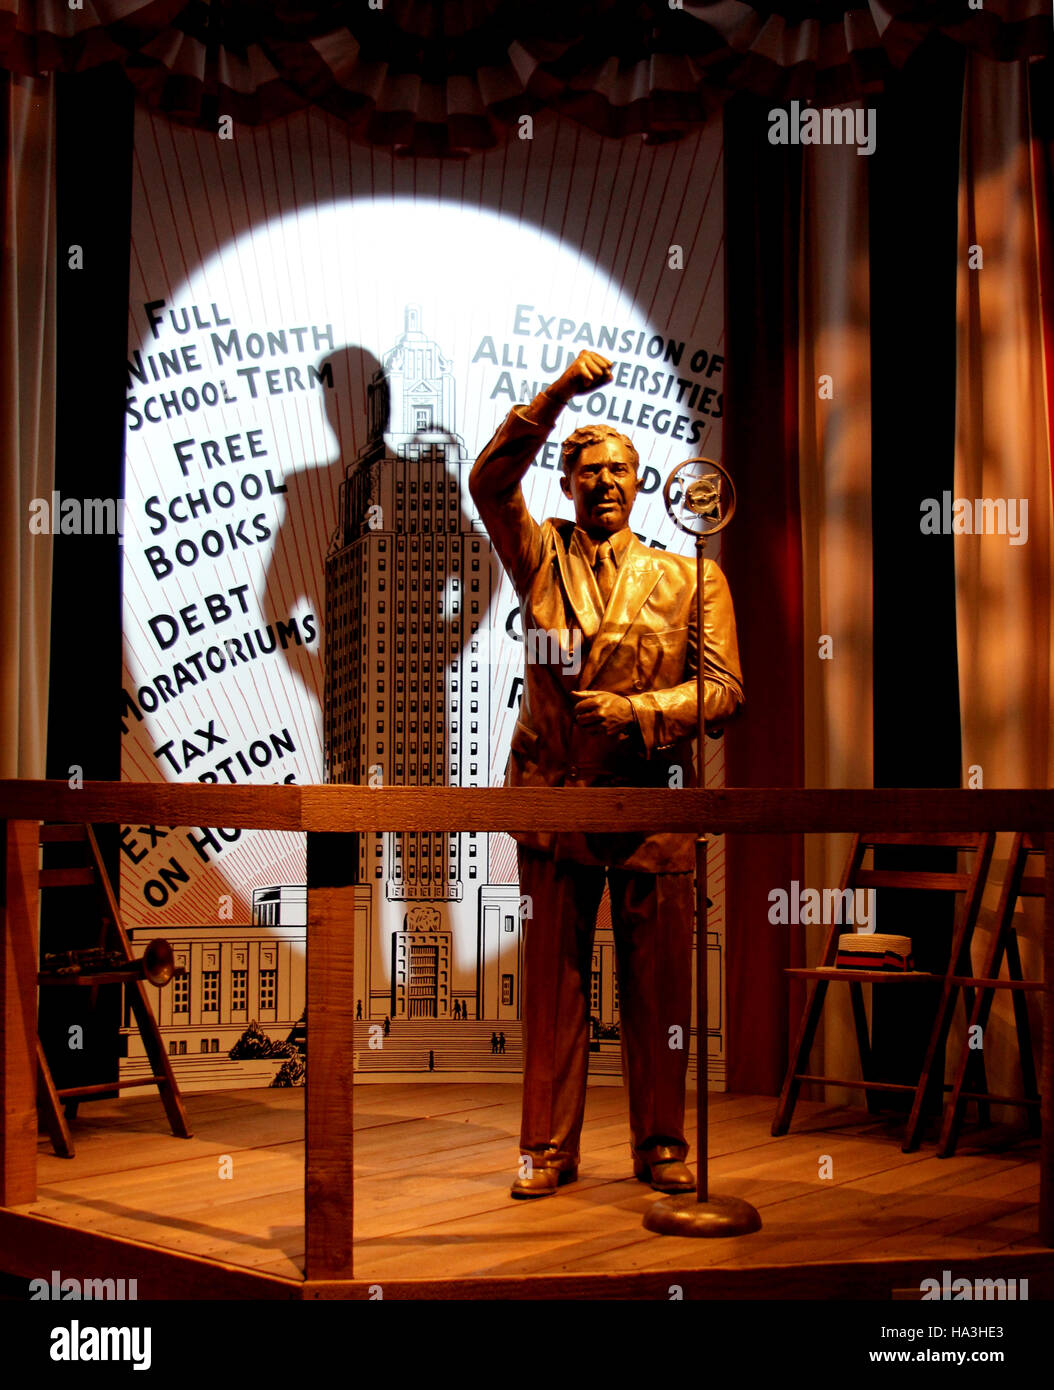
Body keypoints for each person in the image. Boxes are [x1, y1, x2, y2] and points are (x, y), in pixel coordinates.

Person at [469, 349, 743, 1199]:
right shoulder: (537, 557)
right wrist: (557, 394)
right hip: (553, 799)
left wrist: (640, 713)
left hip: (652, 802)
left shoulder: (690, 576)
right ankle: (545, 1146)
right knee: (552, 992)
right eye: (588, 471)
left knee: (658, 991)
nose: (606, 483)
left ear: (640, 480)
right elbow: (487, 481)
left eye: (619, 470)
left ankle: (662, 1143)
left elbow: (726, 692)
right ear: (567, 484)